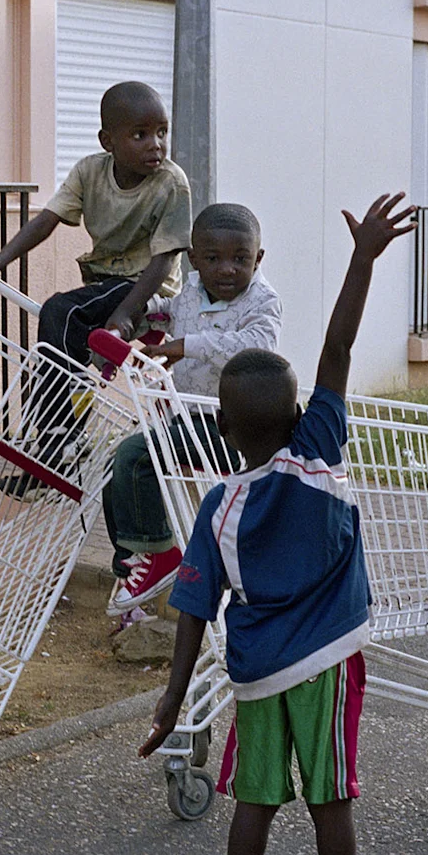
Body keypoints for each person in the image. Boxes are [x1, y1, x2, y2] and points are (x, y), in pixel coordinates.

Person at [138, 193, 418, 855]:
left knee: (254, 804)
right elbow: (338, 349)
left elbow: (195, 608)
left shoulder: (219, 506)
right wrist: (362, 259)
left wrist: (172, 699)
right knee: (332, 802)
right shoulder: (317, 450)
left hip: (259, 673)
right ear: (298, 414)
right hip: (327, 663)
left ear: (225, 431)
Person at [0, 81, 191, 500]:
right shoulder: (89, 172)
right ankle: (59, 441)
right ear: (108, 141)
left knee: (60, 311)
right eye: (140, 135)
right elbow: (47, 219)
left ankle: (57, 441)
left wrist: (127, 312)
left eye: (162, 132)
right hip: (104, 283)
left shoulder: (171, 183)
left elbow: (164, 261)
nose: (155, 144)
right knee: (65, 337)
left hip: (148, 290)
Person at [103, 201, 281, 617]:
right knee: (116, 472)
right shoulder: (193, 291)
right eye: (213, 259)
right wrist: (135, 315)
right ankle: (135, 565)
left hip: (236, 430)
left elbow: (256, 346)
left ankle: (161, 555)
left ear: (258, 258)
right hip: (189, 419)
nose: (227, 270)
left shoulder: (263, 301)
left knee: (136, 455)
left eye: (240, 259)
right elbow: (171, 311)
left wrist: (184, 346)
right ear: (194, 259)